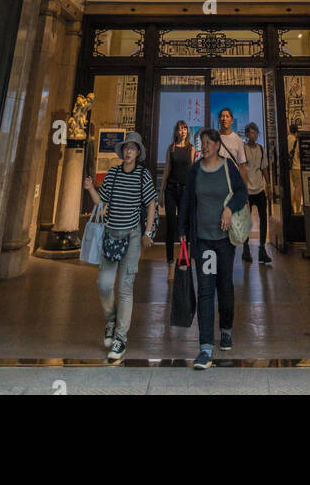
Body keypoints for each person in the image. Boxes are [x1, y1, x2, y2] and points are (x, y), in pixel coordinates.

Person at [83, 131, 157, 364]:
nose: (128, 152)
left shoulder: (143, 175)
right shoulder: (113, 173)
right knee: (104, 284)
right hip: (110, 235)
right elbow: (102, 203)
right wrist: (90, 189)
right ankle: (111, 319)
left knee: (125, 287)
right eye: (126, 148)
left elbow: (151, 204)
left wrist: (147, 231)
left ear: (138, 153)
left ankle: (120, 338)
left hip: (132, 236)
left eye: (133, 149)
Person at [179, 127, 248, 370]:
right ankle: (205, 347)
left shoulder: (228, 167)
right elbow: (187, 200)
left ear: (219, 145)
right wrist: (182, 232)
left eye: (210, 142)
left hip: (224, 240)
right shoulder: (196, 169)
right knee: (206, 291)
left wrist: (229, 209)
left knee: (225, 286)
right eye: (203, 142)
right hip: (203, 240)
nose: (205, 146)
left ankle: (226, 330)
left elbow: (242, 193)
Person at [160, 118, 195, 280]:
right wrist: (161, 192)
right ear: (176, 131)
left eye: (185, 128)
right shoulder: (171, 149)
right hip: (171, 190)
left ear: (187, 131)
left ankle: (183, 259)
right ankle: (170, 262)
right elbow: (166, 170)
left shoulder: (191, 149)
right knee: (171, 227)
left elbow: (193, 173)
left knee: (183, 226)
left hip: (186, 191)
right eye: (180, 128)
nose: (183, 131)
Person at [242, 121, 272, 265]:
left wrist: (269, 185)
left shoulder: (261, 149)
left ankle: (262, 249)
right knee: (246, 221)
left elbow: (265, 168)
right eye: (251, 132)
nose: (254, 135)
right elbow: (241, 169)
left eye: (255, 132)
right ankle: (246, 248)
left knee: (263, 219)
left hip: (260, 189)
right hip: (247, 190)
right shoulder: (243, 149)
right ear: (247, 134)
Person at [216, 107, 248, 183]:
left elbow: (242, 166)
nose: (224, 119)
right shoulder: (213, 137)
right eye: (222, 116)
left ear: (232, 121)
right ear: (219, 120)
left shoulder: (238, 139)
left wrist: (245, 189)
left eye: (227, 116)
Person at [288, 122, 302, 215]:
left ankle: (291, 208)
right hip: (297, 167)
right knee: (298, 189)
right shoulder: (296, 140)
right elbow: (299, 154)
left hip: (289, 167)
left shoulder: (287, 139)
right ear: (296, 131)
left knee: (292, 188)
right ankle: (298, 210)